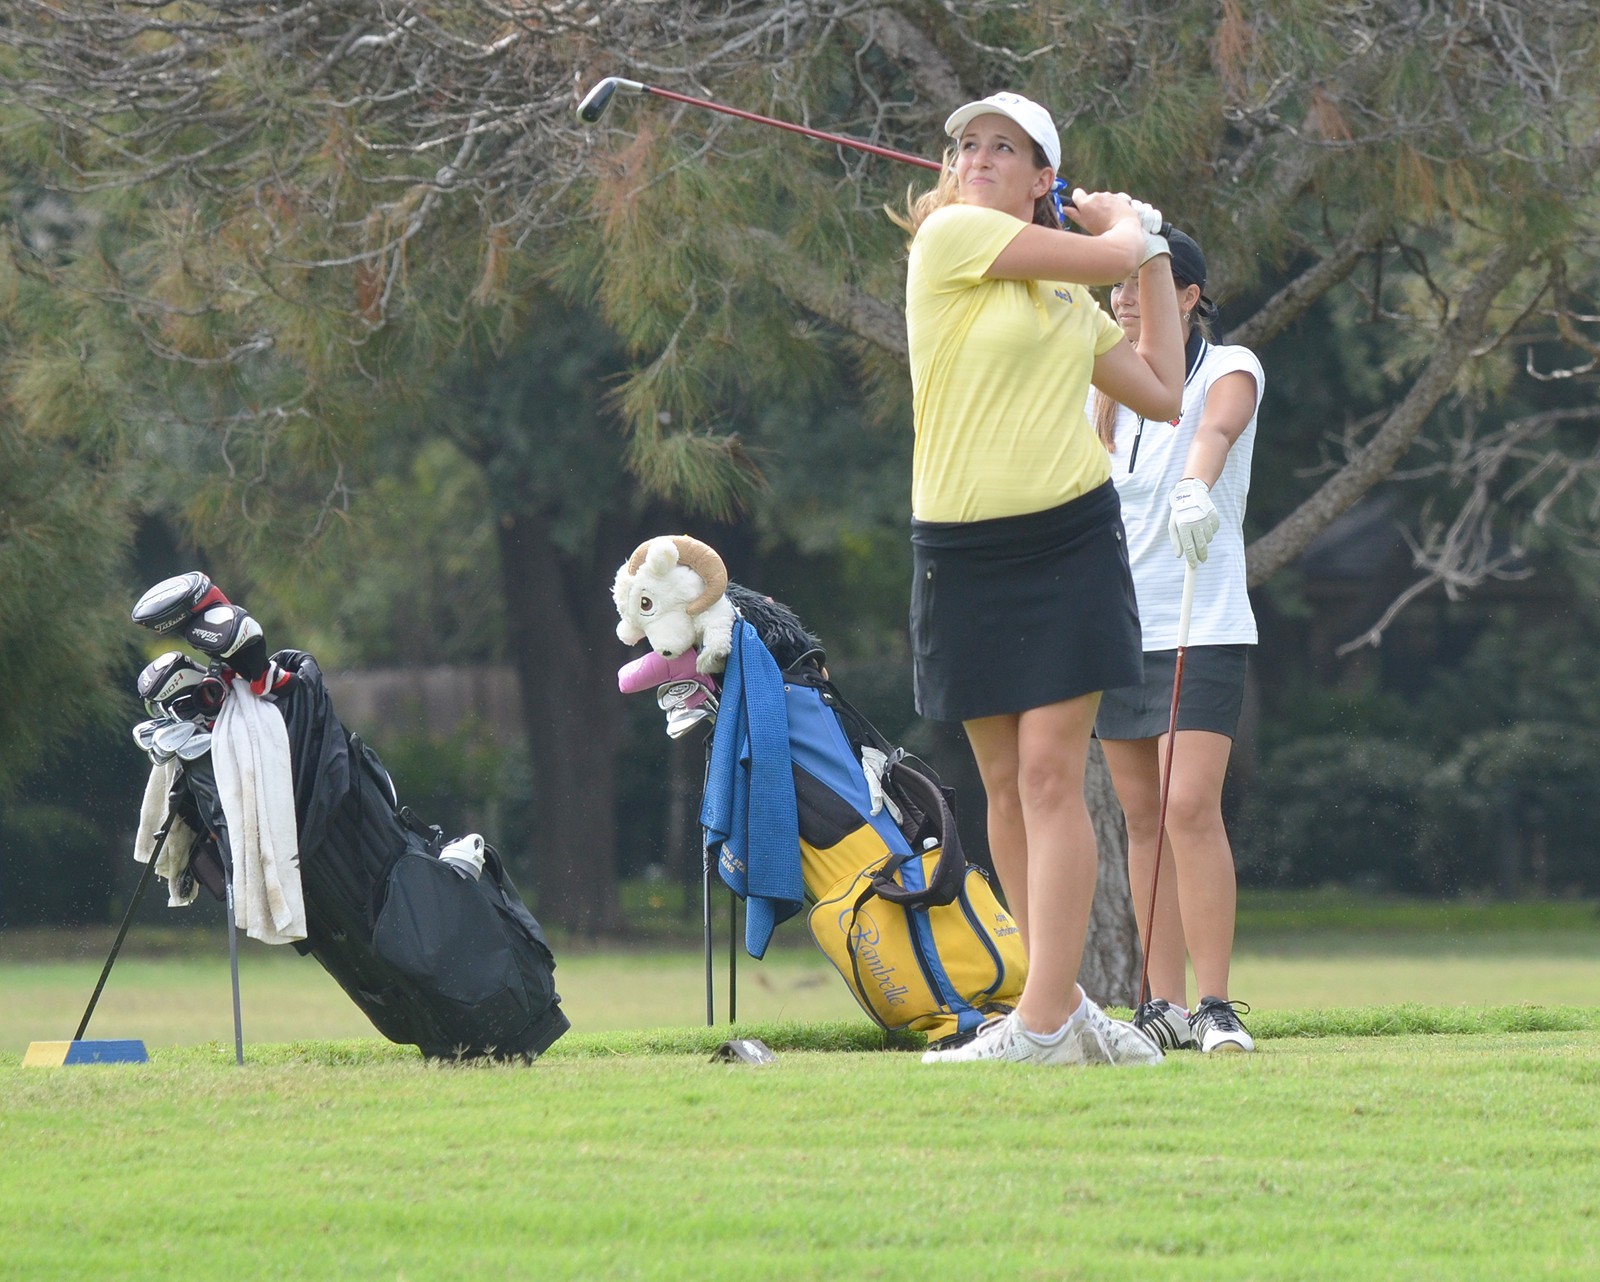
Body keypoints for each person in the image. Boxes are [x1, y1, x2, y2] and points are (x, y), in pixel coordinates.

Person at [892, 91, 1187, 1067]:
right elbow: (1106, 253)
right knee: (1004, 788)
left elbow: (1161, 388)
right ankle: (1055, 1008)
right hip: (962, 550)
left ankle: (1050, 1017)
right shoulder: (948, 240)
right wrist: (1128, 232)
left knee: (1053, 774)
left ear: (1040, 176)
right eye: (965, 144)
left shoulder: (1065, 298)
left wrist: (1143, 256)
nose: (975, 157)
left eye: (1002, 147)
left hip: (1067, 541)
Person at [1089, 227, 1264, 1054]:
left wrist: (1195, 491)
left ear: (1185, 296)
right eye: (1116, 287)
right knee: (1142, 819)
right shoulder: (1104, 381)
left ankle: (1218, 1004)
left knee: (1189, 806)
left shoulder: (1229, 367)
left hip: (1202, 620)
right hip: (1118, 627)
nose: (1124, 299)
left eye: (1139, 285)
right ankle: (1160, 1005)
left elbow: (1214, 436)